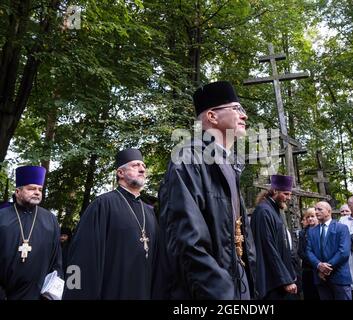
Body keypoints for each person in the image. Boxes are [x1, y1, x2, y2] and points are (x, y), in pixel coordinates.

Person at [158, 80, 256, 299]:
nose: (244, 115)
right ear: (212, 116)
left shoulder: (231, 163)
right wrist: (221, 292)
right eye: (236, 108)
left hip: (239, 283)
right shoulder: (187, 160)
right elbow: (187, 242)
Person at [64, 148, 161, 299]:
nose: (142, 169)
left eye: (143, 166)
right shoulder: (102, 205)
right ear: (120, 173)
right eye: (135, 165)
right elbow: (82, 257)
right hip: (110, 291)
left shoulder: (149, 212)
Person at [0, 166, 62, 299]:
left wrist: (51, 291)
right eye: (31, 188)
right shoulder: (2, 217)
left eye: (40, 189)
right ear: (17, 191)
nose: (37, 192)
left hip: (38, 295)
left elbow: (56, 260)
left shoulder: (50, 219)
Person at [251, 174, 297, 300]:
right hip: (272, 281)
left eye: (290, 194)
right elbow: (269, 248)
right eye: (286, 194)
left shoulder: (274, 210)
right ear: (275, 191)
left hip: (280, 279)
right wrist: (285, 280)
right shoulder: (264, 211)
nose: (288, 198)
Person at [306, 201, 352, 300]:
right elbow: (309, 252)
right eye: (315, 209)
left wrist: (325, 268)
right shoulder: (311, 231)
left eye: (320, 209)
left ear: (329, 211)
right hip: (320, 279)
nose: (316, 212)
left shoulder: (341, 228)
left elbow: (343, 252)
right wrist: (319, 265)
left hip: (339, 276)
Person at [298, 207, 320, 300]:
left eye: (313, 216)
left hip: (321, 270)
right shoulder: (303, 233)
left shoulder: (322, 230)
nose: (310, 219)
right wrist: (314, 262)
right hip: (308, 269)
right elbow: (301, 252)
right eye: (308, 217)